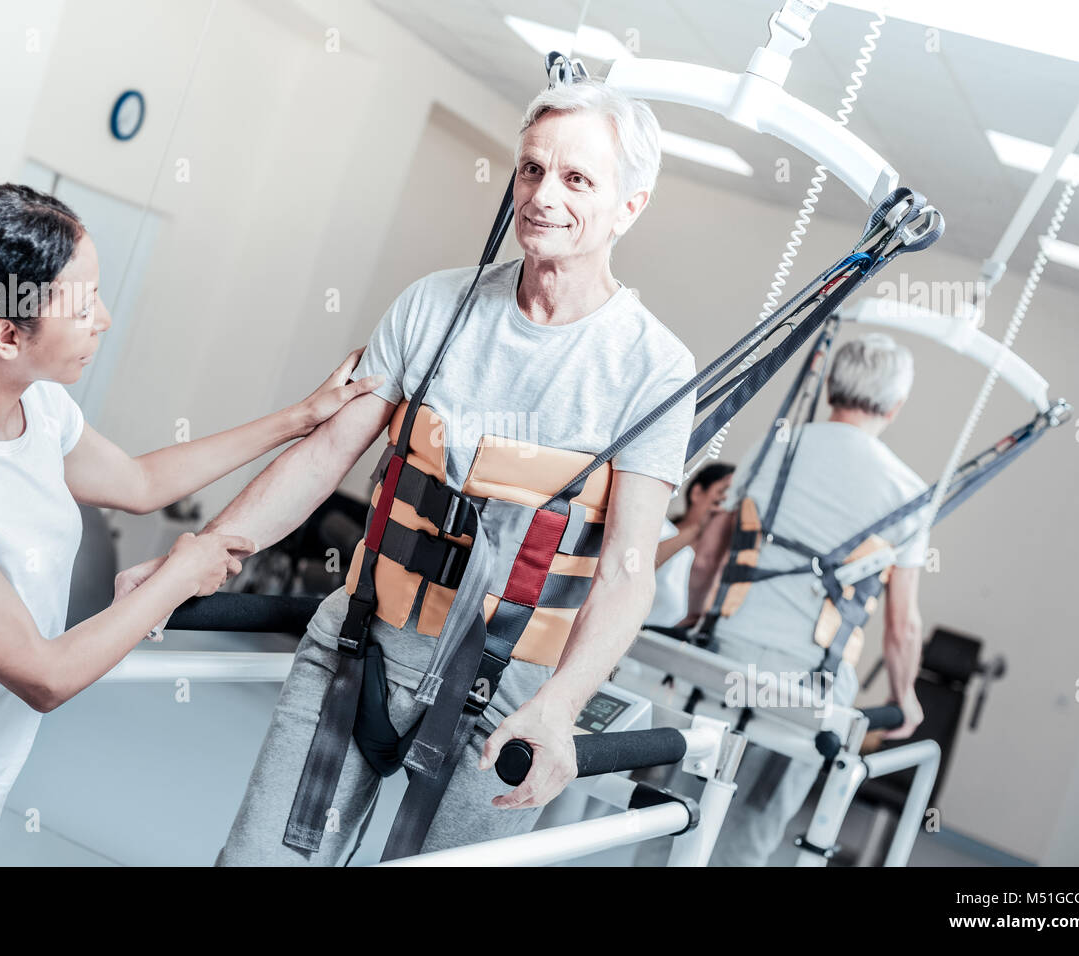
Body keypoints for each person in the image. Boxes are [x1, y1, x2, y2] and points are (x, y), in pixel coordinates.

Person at [116, 79, 698, 865]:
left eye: (577, 179)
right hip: (361, 647)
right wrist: (194, 559)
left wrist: (563, 707)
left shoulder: (653, 368)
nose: (542, 195)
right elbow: (325, 455)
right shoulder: (434, 304)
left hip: (509, 698)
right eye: (532, 170)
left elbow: (629, 571)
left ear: (631, 205)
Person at [0, 184, 379, 866]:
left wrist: (300, 417)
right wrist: (179, 575)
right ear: (7, 334)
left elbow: (140, 484)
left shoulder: (42, 409)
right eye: (84, 304)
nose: (106, 320)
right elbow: (43, 675)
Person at [685, 332, 927, 866]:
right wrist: (905, 698)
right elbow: (902, 627)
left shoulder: (773, 449)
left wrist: (693, 620)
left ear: (833, 387)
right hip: (810, 684)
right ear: (896, 404)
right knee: (749, 828)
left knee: (683, 808)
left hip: (723, 655)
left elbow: (706, 557)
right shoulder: (907, 490)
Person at [645, 462, 734, 629]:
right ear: (697, 493)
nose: (724, 506)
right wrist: (697, 530)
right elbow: (638, 567)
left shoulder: (719, 566)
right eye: (722, 493)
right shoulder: (659, 528)